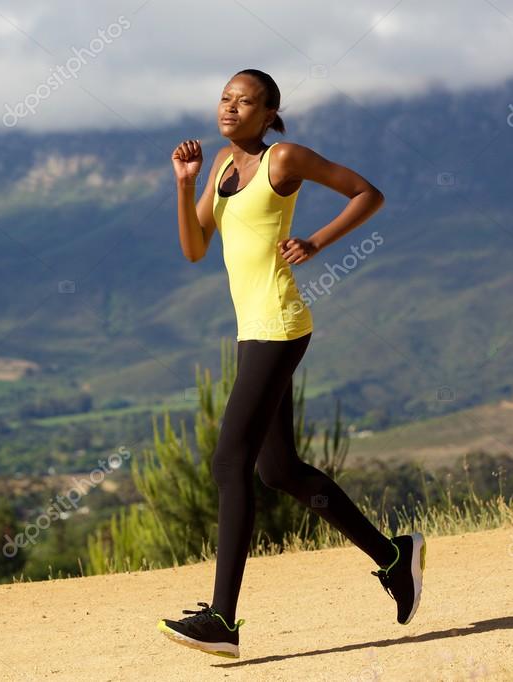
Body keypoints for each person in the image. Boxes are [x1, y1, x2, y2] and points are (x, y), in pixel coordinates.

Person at [157, 68, 426, 659]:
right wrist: (185, 183)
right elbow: (195, 248)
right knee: (277, 472)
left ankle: (223, 620)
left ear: (268, 112)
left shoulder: (285, 159)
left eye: (244, 101)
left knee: (231, 462)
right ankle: (394, 558)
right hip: (252, 330)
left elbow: (367, 193)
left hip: (278, 326)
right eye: (225, 98)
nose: (230, 108)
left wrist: (316, 242)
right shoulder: (224, 167)